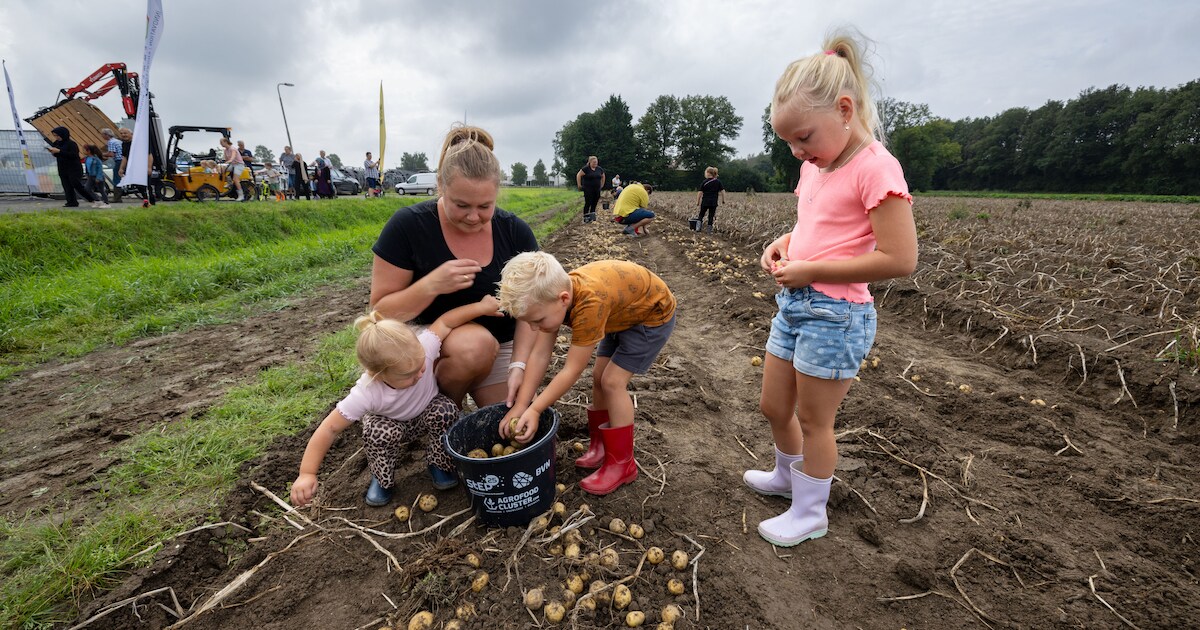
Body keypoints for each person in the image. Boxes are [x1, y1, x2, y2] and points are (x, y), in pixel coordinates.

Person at [745, 31, 917, 547]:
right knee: (774, 407)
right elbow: (815, 225)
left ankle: (810, 511)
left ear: (845, 109)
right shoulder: (816, 166)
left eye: (804, 138)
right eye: (790, 143)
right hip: (796, 304)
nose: (799, 151)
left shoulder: (877, 168)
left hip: (837, 314)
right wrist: (784, 243)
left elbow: (900, 259)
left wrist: (812, 268)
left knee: (815, 419)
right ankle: (786, 478)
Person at [370, 125, 540, 410]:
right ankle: (442, 412)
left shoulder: (515, 232)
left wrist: (519, 365)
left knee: (513, 428)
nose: (474, 217)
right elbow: (379, 314)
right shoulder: (408, 226)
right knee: (475, 347)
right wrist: (431, 285)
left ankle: (447, 415)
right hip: (424, 348)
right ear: (440, 185)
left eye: (485, 206)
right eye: (461, 205)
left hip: (501, 345)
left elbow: (532, 309)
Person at [289, 296, 504, 508]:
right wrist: (307, 473)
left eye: (422, 365)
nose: (420, 374)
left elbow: (447, 321)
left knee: (446, 410)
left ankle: (439, 463)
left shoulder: (423, 347)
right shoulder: (367, 392)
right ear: (378, 375)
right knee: (378, 431)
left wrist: (480, 306)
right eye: (409, 375)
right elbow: (329, 428)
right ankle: (382, 479)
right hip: (390, 424)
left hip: (424, 414)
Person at [496, 252, 676, 496]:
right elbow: (540, 355)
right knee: (599, 377)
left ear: (563, 299)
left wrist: (535, 409)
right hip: (620, 314)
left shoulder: (589, 305)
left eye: (537, 321)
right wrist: (521, 405)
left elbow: (571, 369)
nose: (534, 328)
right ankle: (601, 445)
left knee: (612, 382)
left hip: (650, 316)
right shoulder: (553, 300)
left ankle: (623, 464)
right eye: (528, 322)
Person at [46, 127, 103, 208]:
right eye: (55, 136)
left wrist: (59, 151)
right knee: (66, 185)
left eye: (58, 135)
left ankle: (93, 199)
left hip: (73, 167)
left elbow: (73, 155)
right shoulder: (57, 143)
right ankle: (71, 202)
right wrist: (53, 152)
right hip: (62, 166)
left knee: (76, 184)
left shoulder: (71, 144)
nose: (57, 137)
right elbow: (58, 154)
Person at [695, 166, 725, 233]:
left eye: (705, 172)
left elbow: (700, 193)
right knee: (711, 216)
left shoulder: (704, 182)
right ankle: (709, 231)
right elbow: (723, 191)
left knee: (701, 214)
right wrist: (723, 200)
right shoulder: (718, 182)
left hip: (705, 201)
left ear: (708, 173)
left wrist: (698, 201)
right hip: (713, 202)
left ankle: (698, 228)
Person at [575, 155, 605, 224]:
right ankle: (586, 217)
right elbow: (578, 175)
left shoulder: (599, 169)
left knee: (595, 201)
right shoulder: (586, 169)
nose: (595, 163)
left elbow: (603, 176)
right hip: (588, 188)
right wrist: (579, 184)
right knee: (588, 202)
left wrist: (602, 184)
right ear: (590, 162)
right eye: (594, 162)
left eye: (596, 162)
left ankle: (592, 215)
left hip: (597, 188)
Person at [219, 137, 247, 201]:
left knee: (235, 179)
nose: (220, 144)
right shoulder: (225, 150)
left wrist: (230, 160)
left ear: (225, 142)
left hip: (239, 164)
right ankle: (229, 183)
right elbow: (226, 159)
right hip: (233, 164)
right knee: (222, 170)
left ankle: (241, 195)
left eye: (221, 142)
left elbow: (232, 157)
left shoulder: (232, 149)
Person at [101, 128, 123, 202]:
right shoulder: (118, 141)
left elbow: (111, 153)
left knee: (116, 179)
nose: (102, 136)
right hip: (123, 160)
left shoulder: (111, 142)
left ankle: (117, 198)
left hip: (119, 161)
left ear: (106, 135)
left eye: (102, 134)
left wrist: (101, 154)